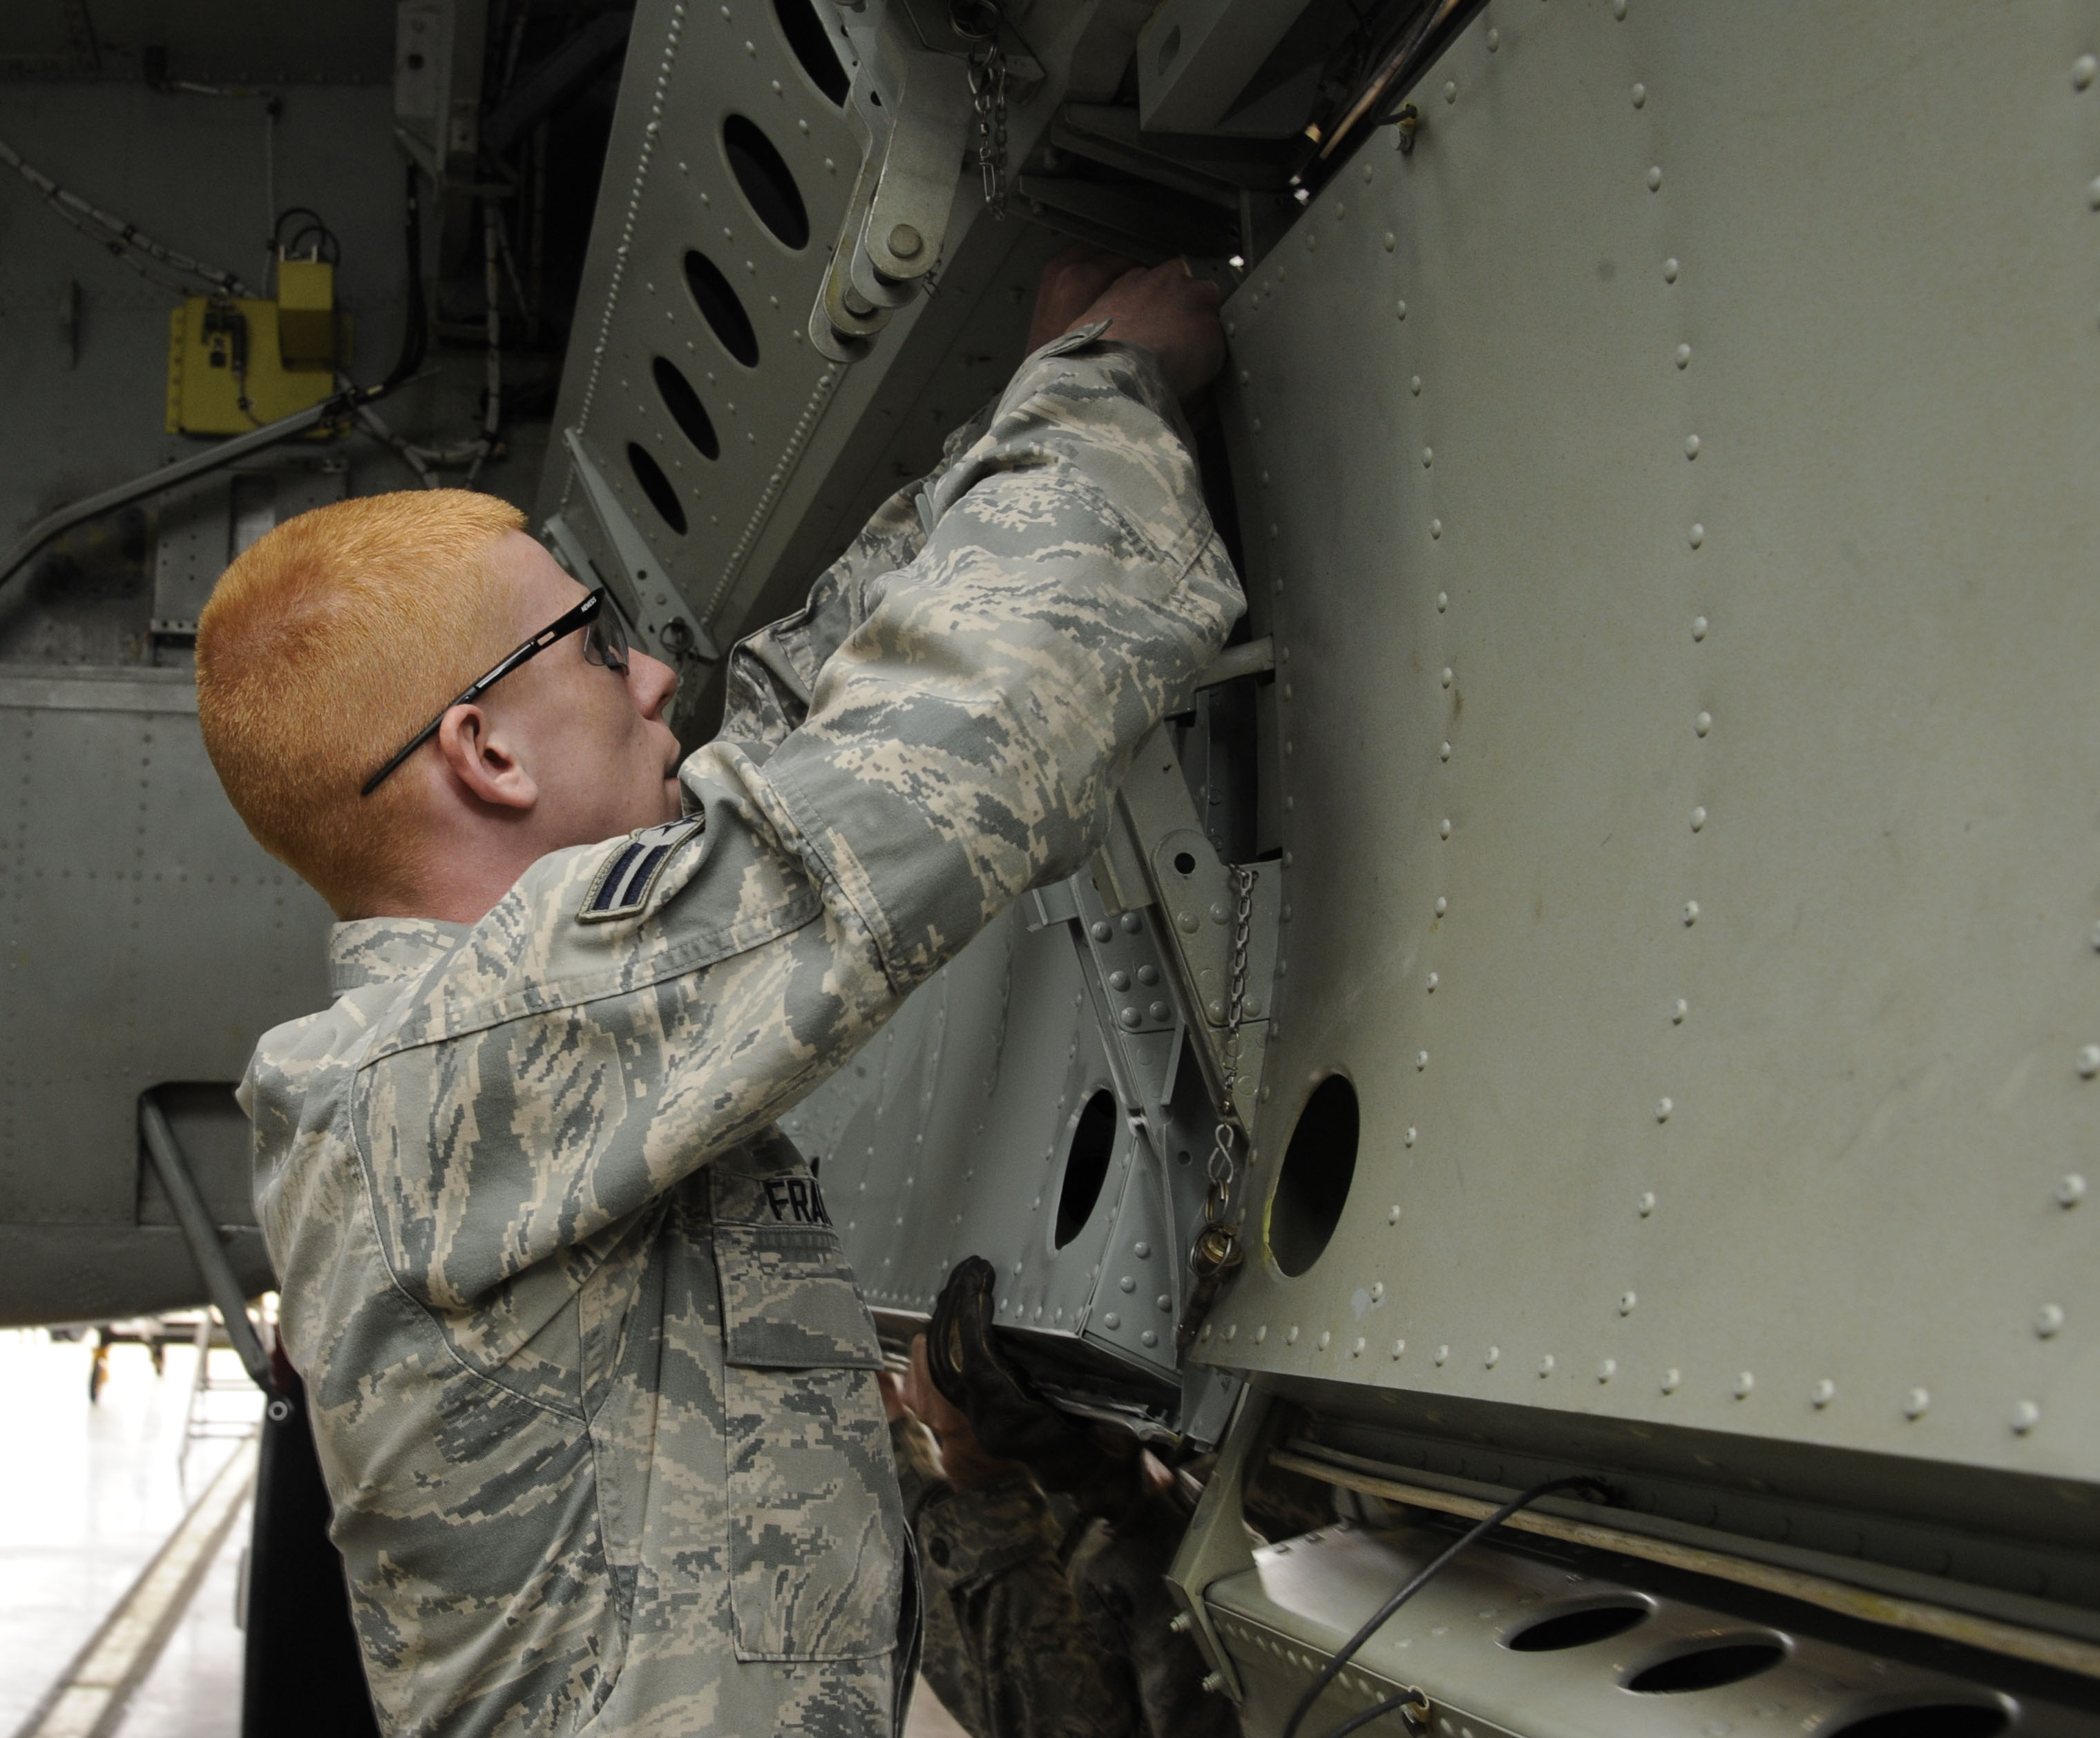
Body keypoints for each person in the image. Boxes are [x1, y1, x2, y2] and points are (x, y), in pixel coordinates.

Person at [192, 247, 1237, 1738]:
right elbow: (941, 758)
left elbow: (788, 726)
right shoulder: (469, 1056)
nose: (655, 680)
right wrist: (1105, 380)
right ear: (485, 752)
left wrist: (1015, 409)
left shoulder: (463, 1052)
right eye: (597, 642)